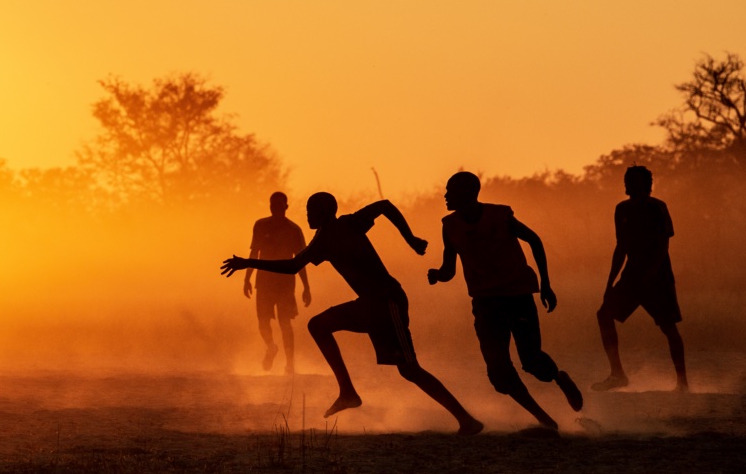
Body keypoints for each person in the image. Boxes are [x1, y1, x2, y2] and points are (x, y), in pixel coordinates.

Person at [221, 193, 483, 435]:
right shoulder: (322, 239)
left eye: (312, 210)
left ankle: (466, 420)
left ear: (325, 211)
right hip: (369, 304)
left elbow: (385, 206)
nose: (308, 214)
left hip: (387, 300)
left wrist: (410, 238)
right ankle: (347, 392)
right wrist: (248, 263)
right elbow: (293, 265)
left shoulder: (348, 224)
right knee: (318, 325)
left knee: (409, 369)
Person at [426, 172, 582, 429]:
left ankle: (558, 377)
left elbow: (534, 240)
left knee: (532, 361)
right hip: (485, 304)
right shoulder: (449, 226)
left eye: (450, 191)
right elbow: (449, 269)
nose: (445, 196)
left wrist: (545, 284)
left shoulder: (500, 216)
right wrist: (437, 275)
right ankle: (546, 421)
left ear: (467, 193)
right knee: (499, 372)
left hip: (517, 296)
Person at [594, 165, 687, 392]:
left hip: (659, 278)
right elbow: (621, 247)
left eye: (634, 180)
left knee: (668, 327)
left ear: (646, 183)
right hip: (632, 276)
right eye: (627, 180)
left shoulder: (657, 207)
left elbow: (664, 244)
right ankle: (617, 374)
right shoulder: (621, 209)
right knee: (604, 314)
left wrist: (652, 273)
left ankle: (682, 382)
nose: (628, 184)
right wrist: (609, 284)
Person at [242, 192, 312, 374]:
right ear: (270, 207)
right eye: (273, 206)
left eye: (279, 206)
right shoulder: (260, 225)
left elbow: (301, 260)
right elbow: (253, 254)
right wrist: (247, 278)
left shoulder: (294, 230)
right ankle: (271, 347)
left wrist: (306, 287)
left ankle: (290, 364)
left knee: (285, 322)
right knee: (263, 321)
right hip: (264, 281)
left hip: (285, 283)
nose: (276, 209)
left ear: (286, 207)